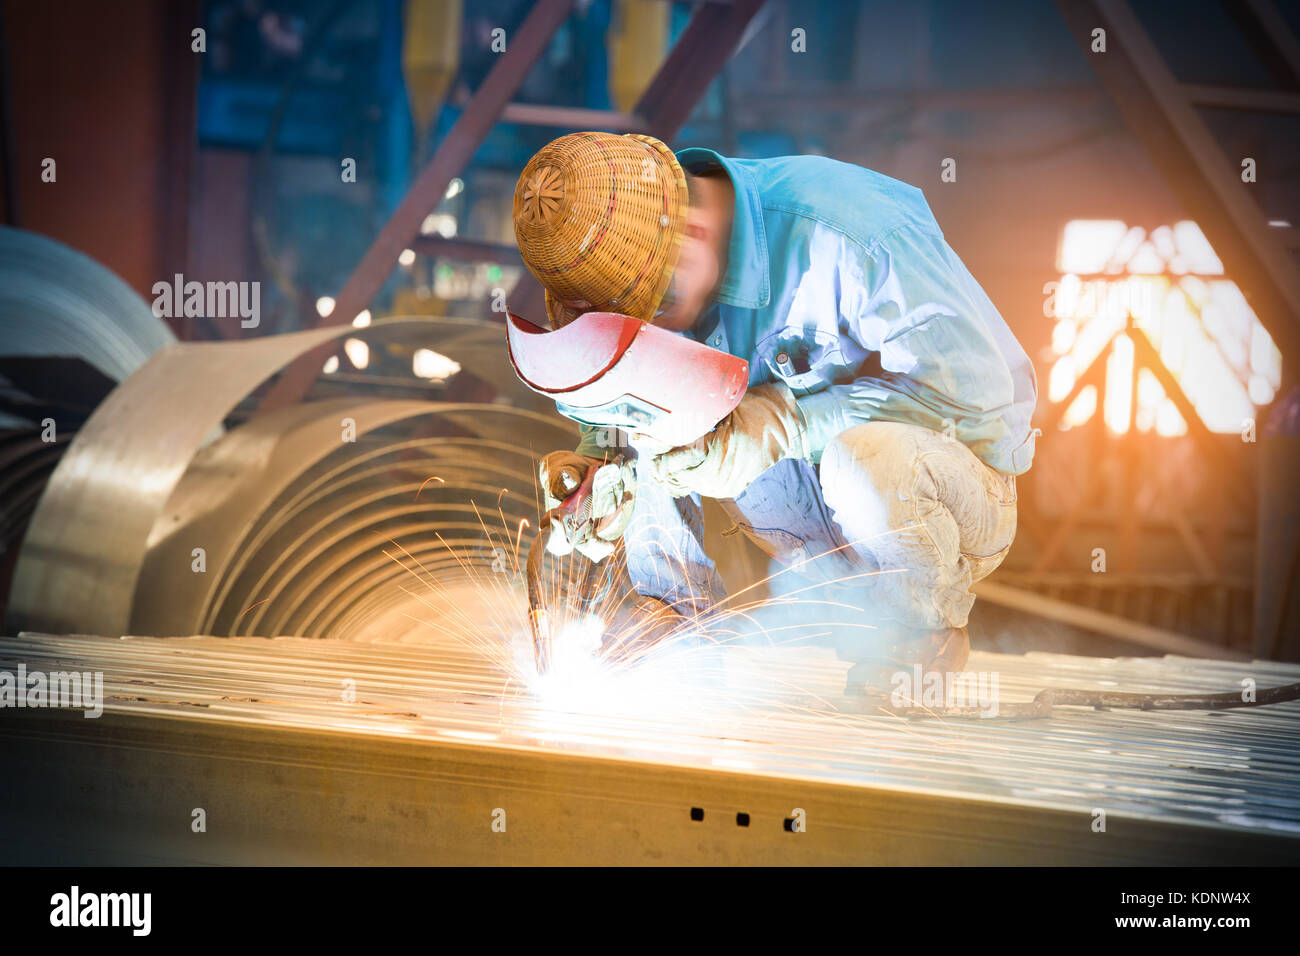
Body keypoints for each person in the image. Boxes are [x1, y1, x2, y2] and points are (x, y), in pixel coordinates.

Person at [511, 131, 1038, 692]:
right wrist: (599, 465)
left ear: (692, 231)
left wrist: (780, 423)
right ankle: (673, 616)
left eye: (656, 309)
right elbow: (629, 392)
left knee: (866, 461)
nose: (659, 326)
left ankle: (920, 634)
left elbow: (974, 411)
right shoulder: (664, 266)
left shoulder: (854, 235)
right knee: (650, 413)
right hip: (811, 527)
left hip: (947, 500)